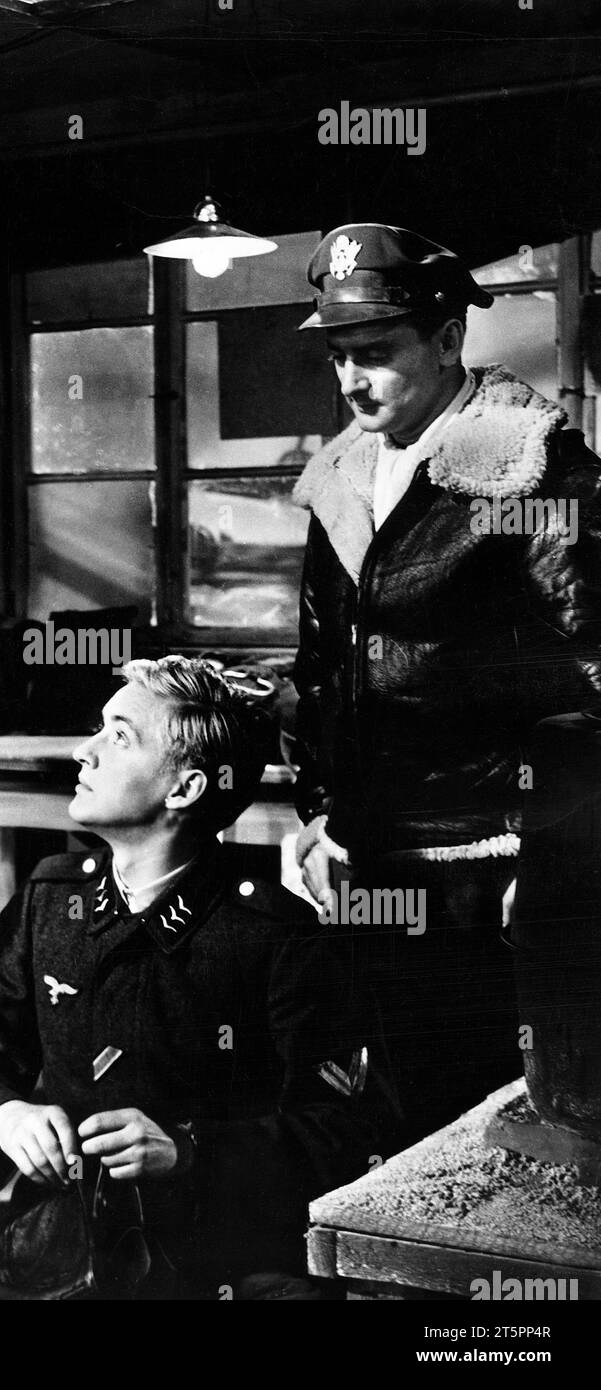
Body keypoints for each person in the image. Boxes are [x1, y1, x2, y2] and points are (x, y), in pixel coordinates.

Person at [0, 656, 393, 1299]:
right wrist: (7, 1115)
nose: (82, 751)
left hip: (219, 1260)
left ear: (184, 790)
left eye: (119, 736)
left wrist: (190, 1151)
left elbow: (352, 1129)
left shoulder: (277, 935)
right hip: (58, 1251)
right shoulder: (50, 901)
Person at [292, 222, 601, 1142]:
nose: (353, 380)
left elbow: (593, 685)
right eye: (340, 356)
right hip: (365, 856)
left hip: (489, 869)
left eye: (376, 353)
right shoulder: (341, 476)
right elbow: (321, 667)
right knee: (382, 1108)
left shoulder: (533, 471)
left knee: (491, 1130)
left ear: (445, 340)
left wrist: (558, 866)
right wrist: (318, 810)